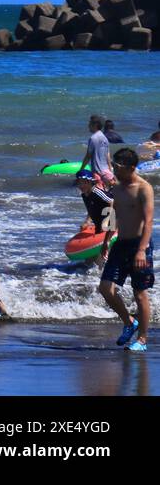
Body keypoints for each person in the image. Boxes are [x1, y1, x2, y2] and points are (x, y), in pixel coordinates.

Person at [98, 147, 153, 353]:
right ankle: (129, 321)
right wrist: (105, 241)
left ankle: (143, 339)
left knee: (139, 293)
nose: (114, 170)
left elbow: (148, 222)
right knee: (105, 288)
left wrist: (141, 250)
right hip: (120, 244)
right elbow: (113, 217)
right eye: (113, 165)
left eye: (117, 167)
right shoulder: (117, 189)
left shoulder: (143, 188)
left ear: (131, 168)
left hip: (140, 244)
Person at [75, 167, 114, 236]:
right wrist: (87, 221)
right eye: (79, 183)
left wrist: (107, 220)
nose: (81, 185)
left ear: (91, 182)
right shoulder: (84, 195)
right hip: (99, 222)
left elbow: (113, 202)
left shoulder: (97, 192)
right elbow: (91, 209)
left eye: (85, 182)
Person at [82, 115, 116, 190]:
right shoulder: (105, 138)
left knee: (97, 194)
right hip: (107, 172)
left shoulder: (93, 138)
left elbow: (88, 156)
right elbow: (108, 157)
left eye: (90, 123)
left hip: (97, 173)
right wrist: (111, 171)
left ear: (95, 125)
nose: (88, 125)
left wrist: (82, 169)